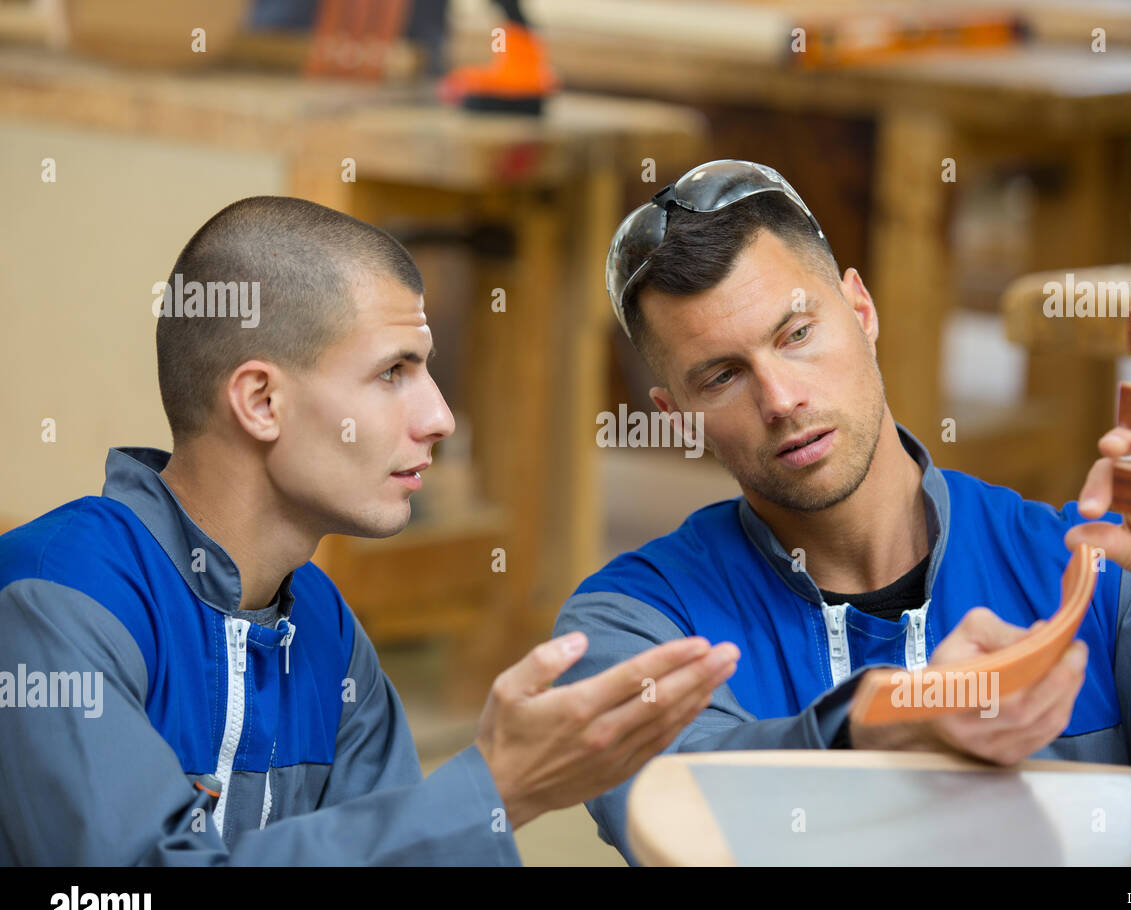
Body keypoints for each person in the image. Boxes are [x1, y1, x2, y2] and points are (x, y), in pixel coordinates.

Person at [0, 195, 742, 865]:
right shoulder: (54, 598)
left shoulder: (325, 634)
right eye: (394, 372)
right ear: (261, 400)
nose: (440, 418)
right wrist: (493, 789)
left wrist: (489, 801)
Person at [553, 159, 1131, 863]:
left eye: (796, 334)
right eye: (723, 376)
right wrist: (883, 728)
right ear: (677, 418)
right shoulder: (626, 624)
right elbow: (674, 806)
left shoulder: (1098, 575)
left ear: (862, 312)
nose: (781, 399)